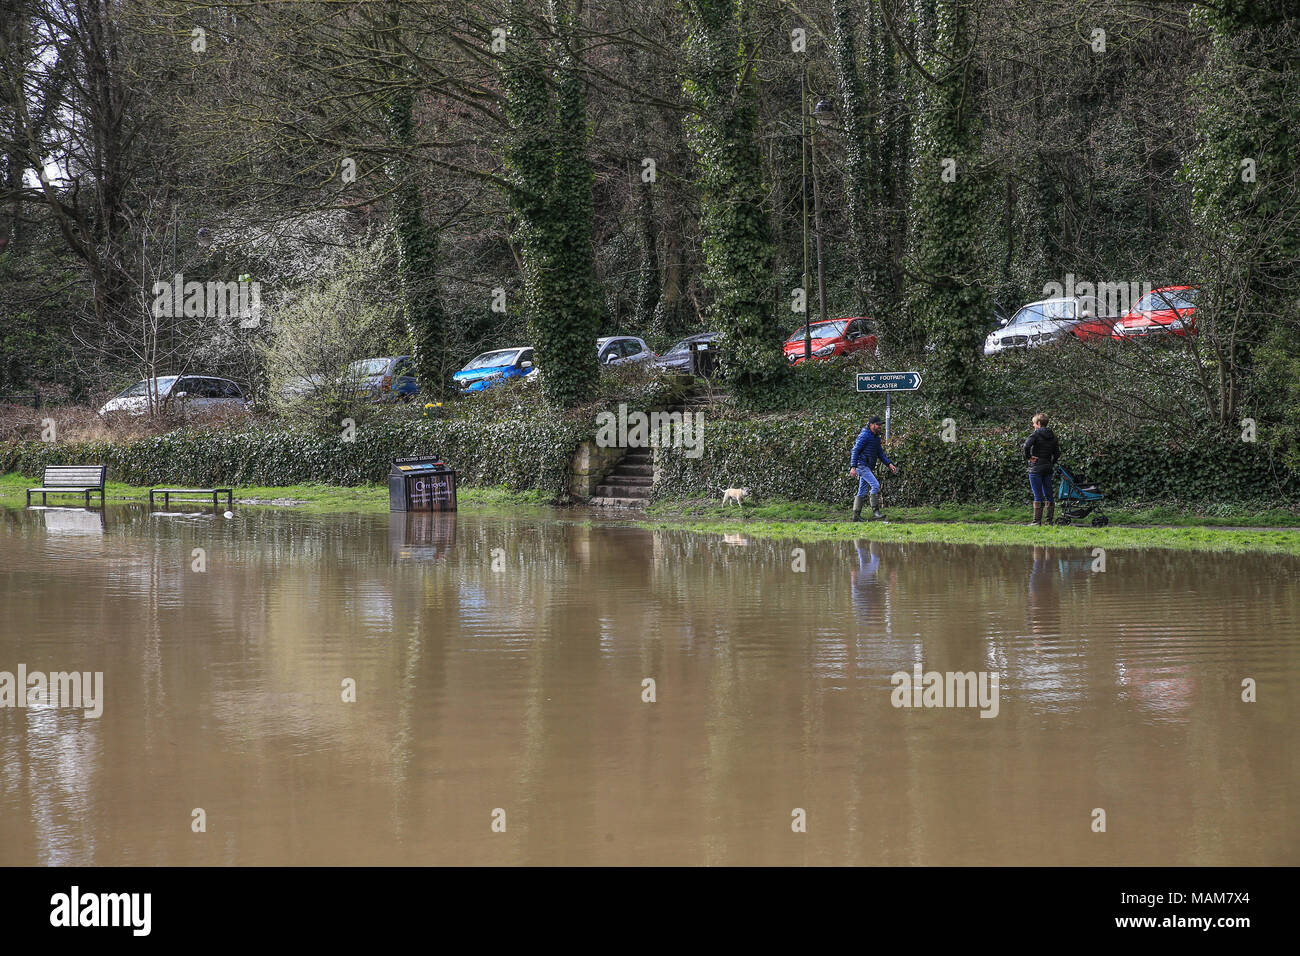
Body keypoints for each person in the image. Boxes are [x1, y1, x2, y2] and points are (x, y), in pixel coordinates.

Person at [849, 415, 898, 521]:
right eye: (878, 424)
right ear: (871, 425)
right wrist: (853, 467)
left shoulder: (876, 437)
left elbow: (880, 454)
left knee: (862, 491)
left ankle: (855, 516)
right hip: (861, 465)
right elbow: (855, 450)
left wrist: (889, 464)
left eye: (880, 425)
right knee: (875, 485)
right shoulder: (864, 435)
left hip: (867, 466)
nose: (880, 426)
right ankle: (876, 512)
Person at [1023, 412, 1060, 525]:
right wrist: (1051, 463)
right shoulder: (1053, 436)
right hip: (1047, 467)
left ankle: (1036, 521)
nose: (1033, 426)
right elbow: (1057, 453)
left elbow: (1026, 446)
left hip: (1036, 468)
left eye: (1034, 423)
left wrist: (1029, 457)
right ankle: (1049, 521)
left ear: (1038, 423)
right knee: (1049, 494)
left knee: (1038, 495)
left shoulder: (1035, 434)